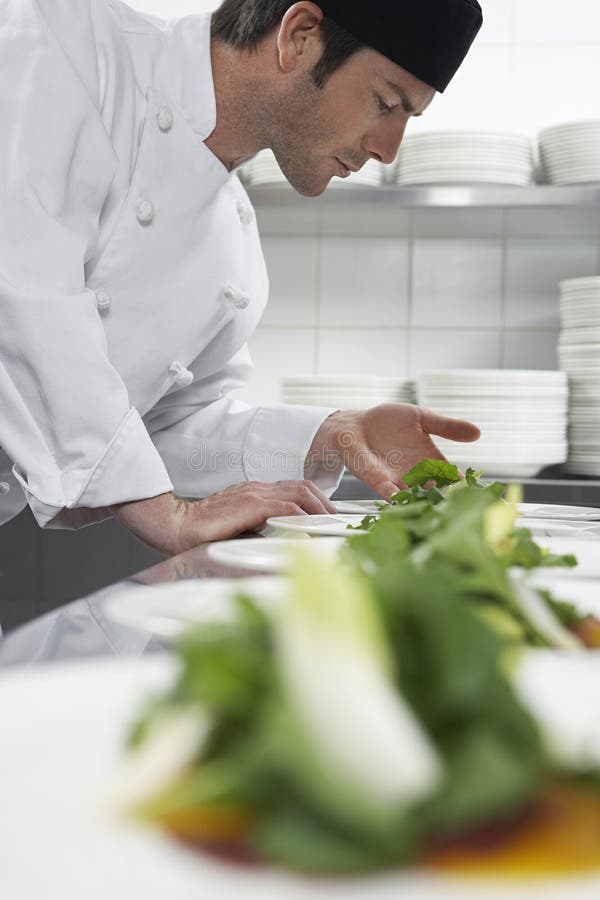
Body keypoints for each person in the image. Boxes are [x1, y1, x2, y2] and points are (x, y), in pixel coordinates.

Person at [0, 0, 482, 554]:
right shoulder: (63, 40)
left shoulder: (234, 252)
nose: (388, 149)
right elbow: (20, 288)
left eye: (407, 119)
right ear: (299, 35)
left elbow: (160, 428)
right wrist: (163, 513)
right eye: (386, 103)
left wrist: (328, 438)